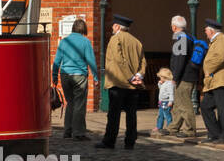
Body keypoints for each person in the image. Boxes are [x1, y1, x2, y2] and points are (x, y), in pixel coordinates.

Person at [97, 14, 146, 150]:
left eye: (113, 25)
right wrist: (138, 76)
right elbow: (143, 62)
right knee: (131, 114)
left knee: (114, 114)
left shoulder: (115, 39)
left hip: (118, 83)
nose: (112, 28)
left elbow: (119, 60)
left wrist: (130, 77)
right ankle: (130, 141)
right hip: (133, 85)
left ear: (117, 26)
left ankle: (109, 141)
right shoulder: (136, 41)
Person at [51, 18, 97, 140]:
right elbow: (91, 61)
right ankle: (79, 133)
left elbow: (56, 61)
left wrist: (54, 76)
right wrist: (96, 77)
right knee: (79, 104)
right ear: (84, 29)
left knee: (70, 103)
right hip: (79, 76)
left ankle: (67, 130)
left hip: (65, 75)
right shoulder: (85, 42)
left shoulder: (64, 42)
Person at [164, 15, 200, 143]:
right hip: (188, 74)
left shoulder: (180, 38)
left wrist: (175, 77)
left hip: (184, 76)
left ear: (174, 27)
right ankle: (174, 127)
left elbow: (180, 59)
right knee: (179, 102)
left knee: (185, 103)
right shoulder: (189, 36)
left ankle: (190, 130)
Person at [199, 18, 224, 143]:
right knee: (205, 106)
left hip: (222, 80)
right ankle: (216, 134)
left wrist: (208, 70)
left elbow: (220, 58)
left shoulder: (222, 40)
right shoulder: (215, 41)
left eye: (206, 30)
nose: (205, 32)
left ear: (211, 30)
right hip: (214, 81)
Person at [156, 67, 175, 133]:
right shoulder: (164, 83)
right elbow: (161, 89)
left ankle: (169, 127)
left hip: (166, 101)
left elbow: (171, 93)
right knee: (160, 114)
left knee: (167, 114)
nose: (160, 78)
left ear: (164, 77)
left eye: (161, 77)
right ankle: (159, 126)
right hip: (161, 101)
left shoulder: (170, 84)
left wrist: (171, 101)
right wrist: (160, 84)